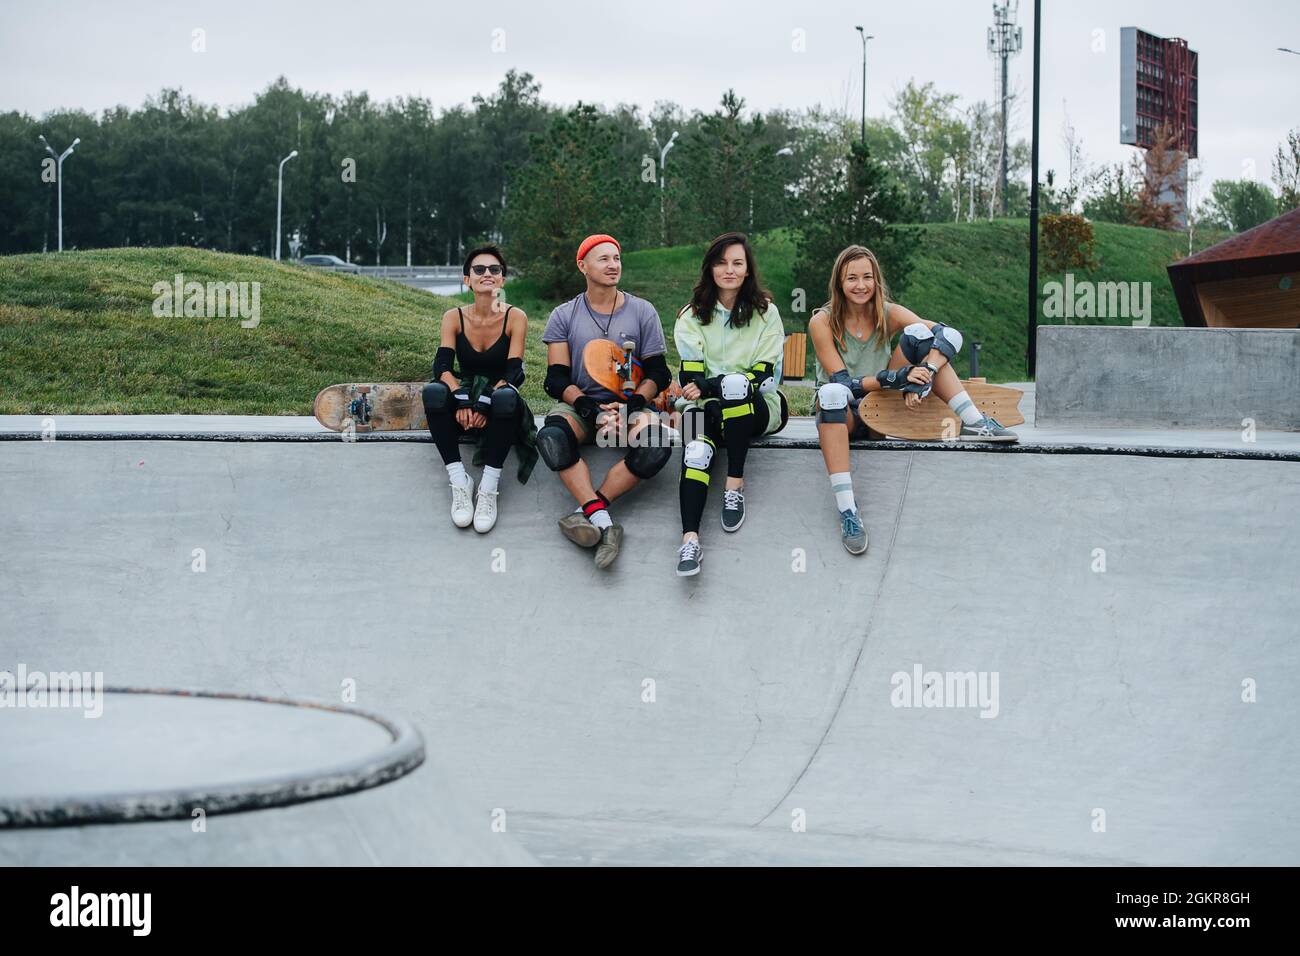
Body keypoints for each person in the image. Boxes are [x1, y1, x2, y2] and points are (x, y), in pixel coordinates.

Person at [810, 244, 1016, 554]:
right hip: (841, 414)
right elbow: (843, 382)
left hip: (879, 410)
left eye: (868, 277)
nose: (861, 285)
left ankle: (975, 422)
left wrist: (927, 371)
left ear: (876, 280)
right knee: (831, 393)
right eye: (852, 278)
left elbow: (949, 335)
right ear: (839, 282)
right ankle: (848, 511)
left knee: (921, 335)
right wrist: (895, 378)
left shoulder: (887, 312)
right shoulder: (822, 321)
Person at [537, 234, 674, 569]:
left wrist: (631, 407)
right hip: (582, 406)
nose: (614, 265)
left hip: (631, 406)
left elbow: (659, 372)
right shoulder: (563, 315)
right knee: (552, 439)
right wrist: (589, 410)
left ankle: (590, 511)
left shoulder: (643, 310)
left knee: (657, 445)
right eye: (604, 259)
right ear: (583, 266)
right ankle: (606, 525)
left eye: (617, 258)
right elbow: (555, 379)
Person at [672, 231, 788, 577]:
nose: (730, 270)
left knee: (737, 387)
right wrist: (705, 391)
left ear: (748, 270)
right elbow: (690, 382)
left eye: (738, 263)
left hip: (759, 406)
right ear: (710, 269)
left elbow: (761, 376)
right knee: (695, 453)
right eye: (721, 263)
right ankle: (689, 540)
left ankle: (734, 485)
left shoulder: (767, 313)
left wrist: (710, 387)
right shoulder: (691, 316)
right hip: (701, 410)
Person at [421, 245, 536, 533]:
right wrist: (461, 399)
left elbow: (515, 371)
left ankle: (488, 487)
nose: (487, 274)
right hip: (465, 387)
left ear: (502, 281)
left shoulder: (515, 317)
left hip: (500, 392)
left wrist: (485, 402)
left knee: (506, 397)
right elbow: (442, 367)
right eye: (479, 269)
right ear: (467, 280)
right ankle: (459, 480)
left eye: (494, 270)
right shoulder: (453, 316)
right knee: (434, 391)